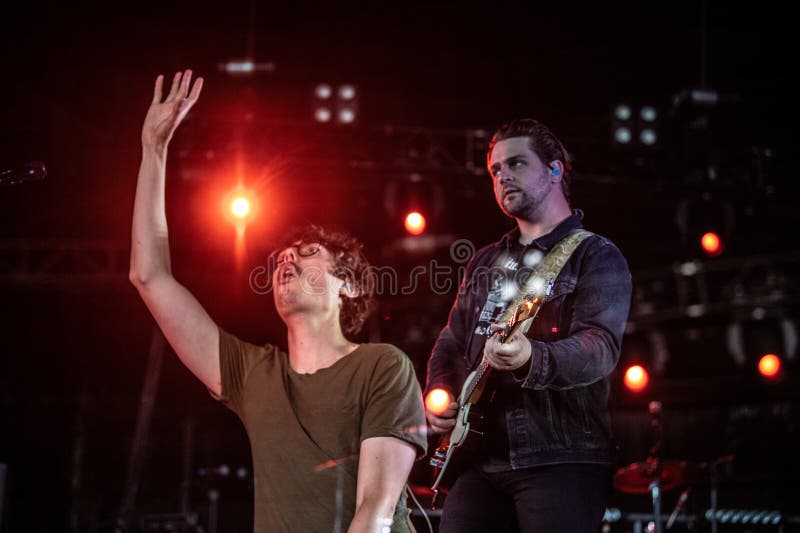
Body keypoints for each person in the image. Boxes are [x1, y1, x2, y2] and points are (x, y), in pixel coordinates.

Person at [129, 70, 427, 533]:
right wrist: (154, 149)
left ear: (346, 285)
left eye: (308, 255)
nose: (287, 260)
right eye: (282, 258)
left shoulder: (382, 366)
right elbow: (149, 277)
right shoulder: (254, 376)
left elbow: (375, 512)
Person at [425, 118, 632, 532]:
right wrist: (441, 393)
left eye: (516, 164)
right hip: (478, 457)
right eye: (496, 170)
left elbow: (600, 347)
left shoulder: (595, 255)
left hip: (560, 459)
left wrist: (531, 357)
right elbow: (451, 341)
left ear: (555, 170)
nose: (503, 177)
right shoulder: (484, 261)